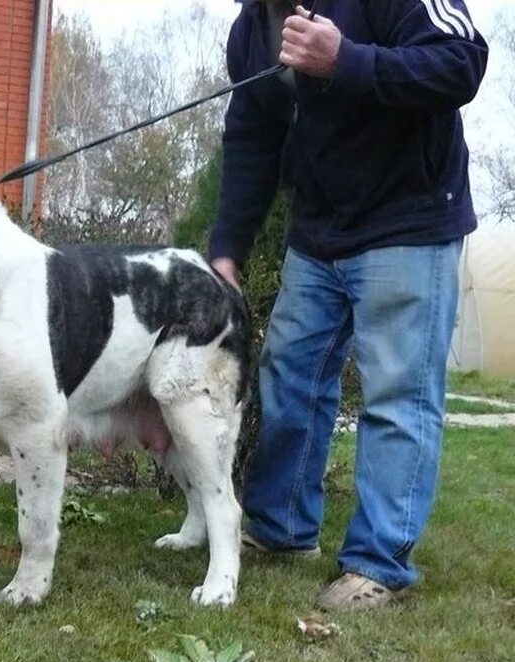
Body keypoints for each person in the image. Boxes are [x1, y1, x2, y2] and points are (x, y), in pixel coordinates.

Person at [208, 0, 489, 609]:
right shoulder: (251, 29)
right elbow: (252, 138)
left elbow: (461, 63)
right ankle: (281, 529)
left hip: (408, 219)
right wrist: (227, 248)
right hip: (318, 231)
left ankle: (378, 562)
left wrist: (346, 60)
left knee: (398, 396)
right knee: (289, 378)